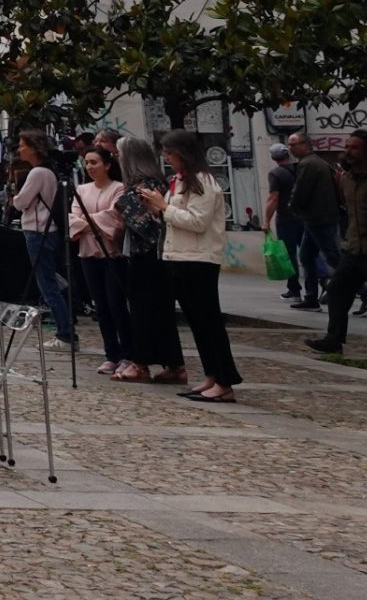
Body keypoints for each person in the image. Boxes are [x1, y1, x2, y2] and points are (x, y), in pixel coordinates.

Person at [136, 131, 240, 402]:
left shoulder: (203, 182)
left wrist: (164, 208)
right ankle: (211, 376)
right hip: (178, 256)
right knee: (196, 323)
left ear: (183, 153)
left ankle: (225, 380)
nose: (167, 158)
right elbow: (175, 219)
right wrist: (156, 208)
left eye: (169, 153)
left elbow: (198, 222)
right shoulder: (178, 182)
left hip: (199, 259)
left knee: (209, 321)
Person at [308, 129, 367, 370]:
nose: (348, 151)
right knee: (336, 289)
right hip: (353, 248)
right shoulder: (346, 179)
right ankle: (334, 338)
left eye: (355, 147)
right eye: (347, 146)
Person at [110, 135, 186, 385]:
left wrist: (124, 211)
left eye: (119, 155)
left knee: (146, 310)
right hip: (146, 255)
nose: (116, 159)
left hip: (150, 256)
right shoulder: (148, 184)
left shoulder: (145, 186)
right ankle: (172, 363)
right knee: (156, 311)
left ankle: (141, 363)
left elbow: (149, 224)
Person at [68, 146, 131, 379]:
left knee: (116, 304)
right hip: (88, 253)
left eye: (94, 162)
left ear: (107, 164)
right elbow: (72, 218)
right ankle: (111, 353)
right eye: (87, 163)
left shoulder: (118, 189)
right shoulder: (81, 189)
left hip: (111, 254)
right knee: (101, 306)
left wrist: (85, 221)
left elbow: (114, 217)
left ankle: (127, 352)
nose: (90, 167)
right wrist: (89, 222)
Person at [11, 129, 75, 351]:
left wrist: (16, 198)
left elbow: (21, 202)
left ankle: (65, 333)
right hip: (46, 229)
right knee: (48, 279)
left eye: (22, 145)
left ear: (33, 148)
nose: (19, 149)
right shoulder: (47, 171)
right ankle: (65, 326)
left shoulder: (38, 173)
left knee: (47, 284)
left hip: (38, 229)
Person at [284, 131, 344, 313]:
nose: (290, 148)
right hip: (315, 217)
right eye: (289, 145)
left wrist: (292, 207)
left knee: (333, 256)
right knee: (306, 256)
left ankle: (365, 294)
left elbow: (301, 190)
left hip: (319, 217)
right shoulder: (317, 162)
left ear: (305, 145)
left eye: (293, 144)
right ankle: (311, 298)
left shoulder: (309, 164)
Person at [263, 142, 303, 306]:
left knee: (290, 255)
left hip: (286, 219)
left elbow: (273, 198)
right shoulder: (300, 169)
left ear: (273, 158)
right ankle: (322, 284)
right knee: (310, 253)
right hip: (303, 217)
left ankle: (294, 289)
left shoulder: (276, 173)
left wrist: (266, 221)